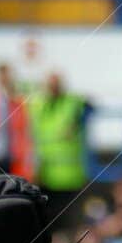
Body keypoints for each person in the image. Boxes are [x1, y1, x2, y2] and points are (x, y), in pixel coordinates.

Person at [26, 71, 88, 225]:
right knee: (47, 223)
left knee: (67, 224)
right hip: (45, 175)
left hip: (69, 178)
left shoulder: (72, 103)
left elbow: (87, 106)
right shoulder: (39, 107)